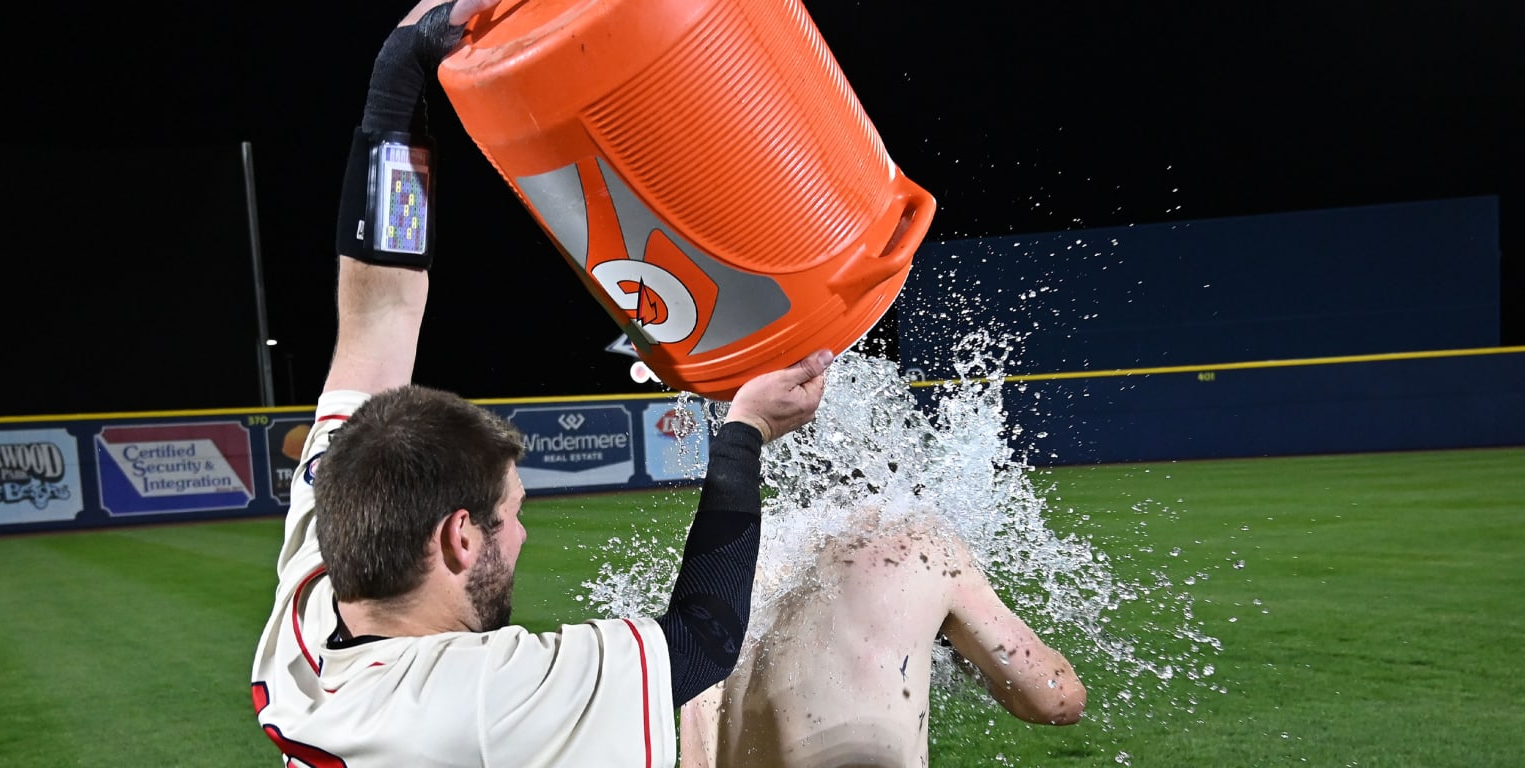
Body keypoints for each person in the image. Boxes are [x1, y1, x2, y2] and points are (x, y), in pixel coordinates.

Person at [249, 1, 834, 765]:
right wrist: (745, 434)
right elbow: (704, 638)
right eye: (512, 513)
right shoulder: (478, 700)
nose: (524, 533)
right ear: (459, 537)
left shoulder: (310, 607)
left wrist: (398, 80)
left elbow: (378, 310)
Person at [679, 508, 1087, 768]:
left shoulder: (744, 554)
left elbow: (697, 740)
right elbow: (1057, 699)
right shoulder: (922, 543)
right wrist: (958, 647)